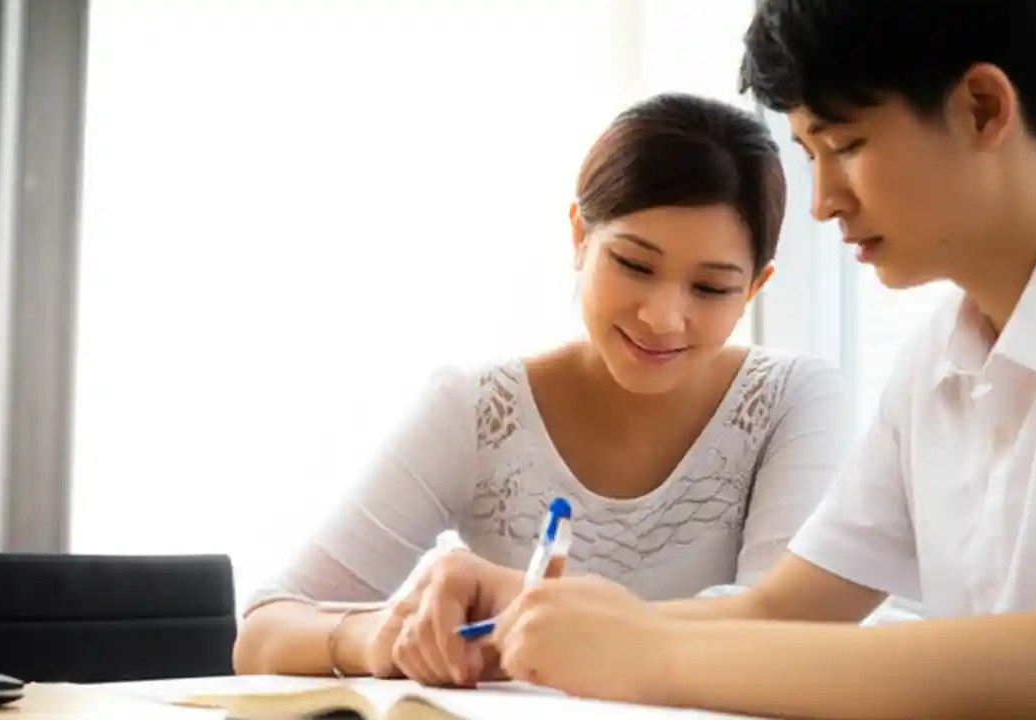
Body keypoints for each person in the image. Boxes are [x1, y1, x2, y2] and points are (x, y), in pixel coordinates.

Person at [443, 2, 1036, 717]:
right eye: (809, 156)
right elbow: (786, 609)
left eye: (847, 146)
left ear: (984, 108)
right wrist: (537, 618)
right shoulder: (938, 360)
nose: (824, 202)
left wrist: (648, 658)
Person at [232, 92, 852, 687]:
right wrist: (379, 638)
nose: (664, 317)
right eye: (634, 265)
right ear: (580, 236)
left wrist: (568, 630)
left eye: (711, 289)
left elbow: (784, 631)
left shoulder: (792, 401)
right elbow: (264, 632)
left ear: (755, 287)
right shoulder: (477, 409)